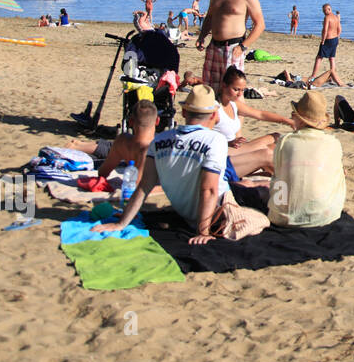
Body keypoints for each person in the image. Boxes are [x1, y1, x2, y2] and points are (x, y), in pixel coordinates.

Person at [91, 86, 270, 244]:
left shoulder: (159, 140)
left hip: (185, 212)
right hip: (218, 212)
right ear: (214, 115)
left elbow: (144, 186)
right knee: (265, 195)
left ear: (184, 112)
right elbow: (209, 190)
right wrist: (203, 232)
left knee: (248, 185)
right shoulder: (215, 140)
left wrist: (122, 223)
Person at [269, 92, 346, 228]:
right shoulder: (333, 143)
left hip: (282, 218)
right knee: (338, 175)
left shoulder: (285, 141)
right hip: (324, 217)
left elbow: (277, 177)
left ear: (300, 119)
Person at [196, 0, 265, 92]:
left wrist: (243, 46)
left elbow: (260, 25)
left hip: (233, 48)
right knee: (209, 90)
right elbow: (210, 16)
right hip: (214, 46)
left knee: (231, 92)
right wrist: (201, 36)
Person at [217, 66, 295, 155]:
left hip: (236, 147)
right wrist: (228, 143)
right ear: (224, 85)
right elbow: (202, 136)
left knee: (276, 137)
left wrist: (289, 121)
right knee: (269, 151)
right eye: (236, 90)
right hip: (224, 151)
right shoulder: (215, 108)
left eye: (242, 90)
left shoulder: (233, 104)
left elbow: (260, 114)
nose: (240, 94)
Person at [308, 4, 343, 87]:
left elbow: (325, 30)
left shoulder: (327, 18)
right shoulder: (336, 17)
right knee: (331, 58)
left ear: (329, 9)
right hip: (334, 39)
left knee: (319, 57)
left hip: (328, 39)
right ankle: (332, 75)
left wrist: (323, 40)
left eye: (325, 11)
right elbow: (339, 29)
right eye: (323, 11)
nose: (324, 12)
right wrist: (337, 37)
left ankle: (313, 76)